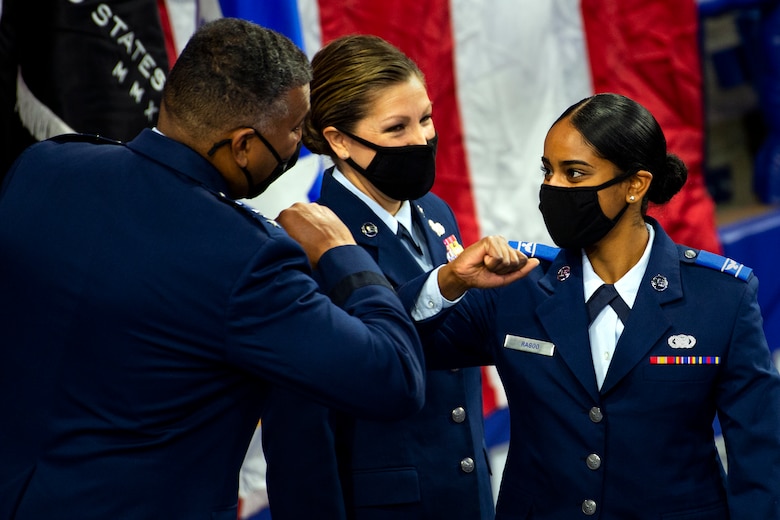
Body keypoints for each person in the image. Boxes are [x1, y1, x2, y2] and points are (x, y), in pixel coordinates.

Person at [0, 18, 432, 519]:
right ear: (244, 145)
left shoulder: (43, 166)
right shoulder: (248, 259)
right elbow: (394, 377)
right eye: (294, 129)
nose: (299, 144)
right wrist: (344, 254)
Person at [400, 93, 780, 519]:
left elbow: (761, 456)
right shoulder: (514, 286)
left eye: (575, 174)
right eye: (548, 171)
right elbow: (393, 348)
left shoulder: (721, 298)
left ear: (636, 185)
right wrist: (448, 280)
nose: (554, 187)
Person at [260, 34, 520, 519]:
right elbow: (305, 418)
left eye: (424, 118)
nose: (421, 140)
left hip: (464, 493)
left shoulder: (434, 211)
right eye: (396, 128)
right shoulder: (308, 239)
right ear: (339, 140)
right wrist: (443, 285)